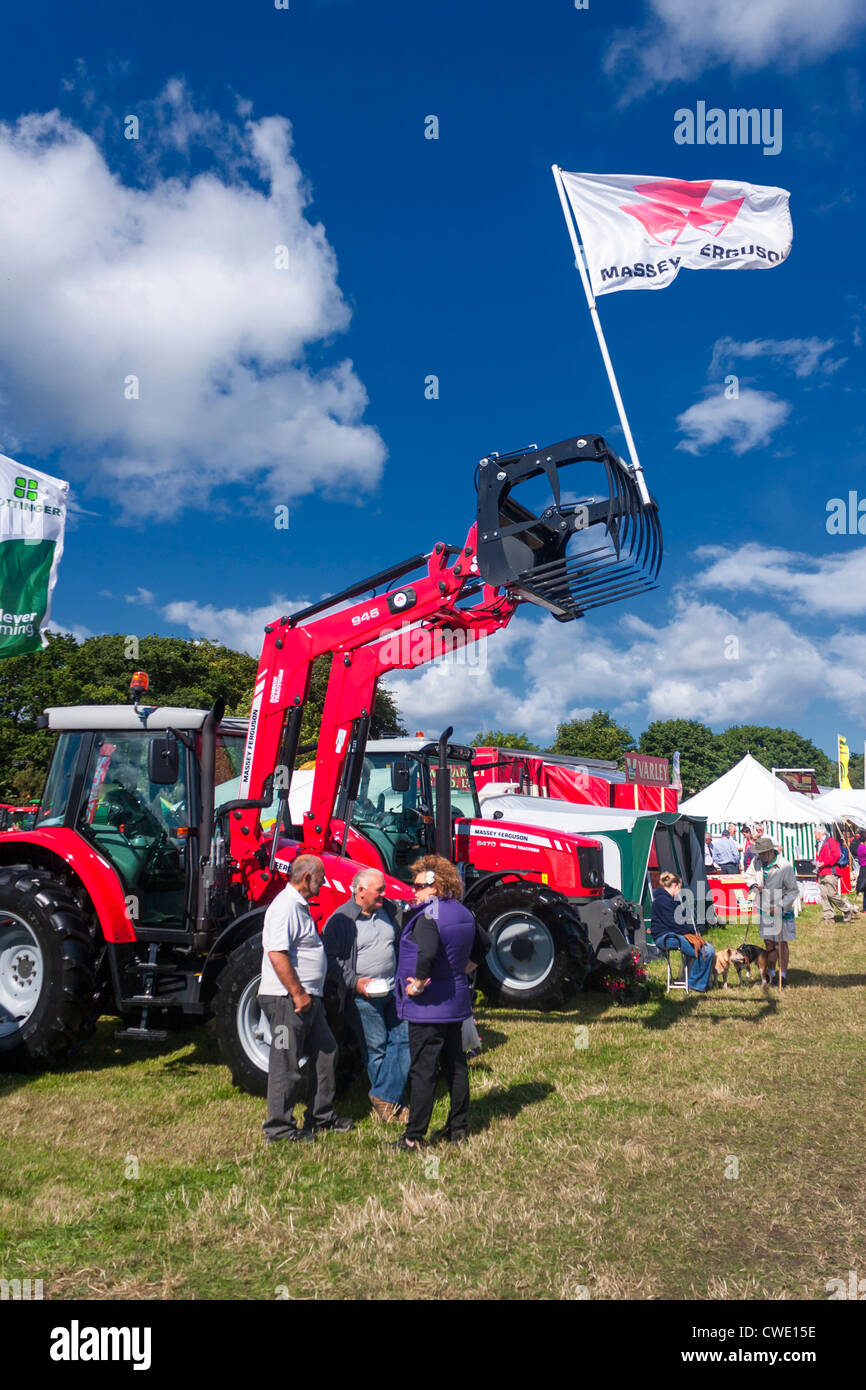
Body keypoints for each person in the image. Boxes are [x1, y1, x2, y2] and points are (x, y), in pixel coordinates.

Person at [393, 855, 490, 1150]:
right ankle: (458, 1127)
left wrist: (419, 983)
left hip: (429, 1007)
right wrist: (464, 969)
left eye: (419, 885)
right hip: (456, 1001)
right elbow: (484, 944)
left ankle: (413, 1137)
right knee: (456, 1065)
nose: (414, 890)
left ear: (435, 887)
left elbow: (427, 953)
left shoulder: (428, 916)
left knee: (424, 1071)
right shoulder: (462, 911)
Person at [258, 854, 354, 1143]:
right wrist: (298, 994)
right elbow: (276, 953)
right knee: (285, 1063)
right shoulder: (284, 907)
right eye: (321, 878)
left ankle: (320, 1116)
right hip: (288, 1001)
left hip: (307, 1000)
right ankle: (279, 1128)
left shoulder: (298, 907)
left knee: (327, 1052)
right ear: (308, 878)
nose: (324, 883)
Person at [323, 867, 410, 1123]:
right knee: (377, 1047)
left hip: (393, 990)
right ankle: (392, 1107)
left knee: (404, 1038)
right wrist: (355, 982)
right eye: (379, 890)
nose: (384, 893)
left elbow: (404, 941)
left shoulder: (391, 911)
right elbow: (330, 959)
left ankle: (383, 1095)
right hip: (362, 996)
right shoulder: (342, 920)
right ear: (360, 891)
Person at [745, 836, 800, 986]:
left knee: (781, 943)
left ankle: (783, 975)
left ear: (770, 851)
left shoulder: (784, 866)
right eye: (759, 853)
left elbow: (793, 890)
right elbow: (749, 876)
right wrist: (755, 885)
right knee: (769, 943)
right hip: (764, 908)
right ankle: (771, 972)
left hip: (781, 909)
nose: (760, 856)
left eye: (762, 853)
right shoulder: (756, 861)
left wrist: (780, 907)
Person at [650, 870, 716, 993]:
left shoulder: (670, 900)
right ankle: (694, 984)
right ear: (675, 885)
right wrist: (691, 932)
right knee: (706, 952)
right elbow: (675, 924)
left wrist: (691, 931)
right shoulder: (662, 901)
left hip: (675, 935)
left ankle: (696, 981)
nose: (681, 891)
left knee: (708, 950)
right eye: (680, 887)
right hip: (667, 937)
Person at [814, 826, 857, 924]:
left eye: (815, 833)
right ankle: (829, 917)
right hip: (821, 872)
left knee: (832, 893)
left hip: (830, 871)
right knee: (824, 895)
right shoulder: (818, 844)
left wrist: (825, 862)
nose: (814, 835)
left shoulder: (831, 841)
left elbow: (836, 855)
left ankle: (846, 909)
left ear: (820, 833)